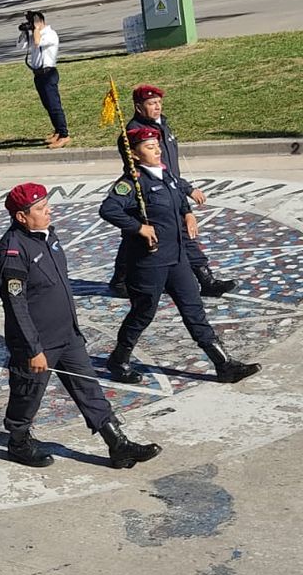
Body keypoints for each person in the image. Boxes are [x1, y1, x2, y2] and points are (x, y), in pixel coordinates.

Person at [0, 184, 163, 469]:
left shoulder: (48, 236)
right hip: (37, 342)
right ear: (21, 217)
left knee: (88, 387)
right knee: (27, 394)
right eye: (41, 209)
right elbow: (16, 307)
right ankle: (18, 441)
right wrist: (33, 350)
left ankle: (117, 444)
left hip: (68, 335)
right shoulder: (13, 253)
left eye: (47, 206)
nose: (48, 212)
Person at [99, 127, 261, 385]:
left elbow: (177, 198)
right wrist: (139, 227)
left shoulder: (166, 176)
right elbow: (108, 209)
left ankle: (223, 364)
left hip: (176, 259)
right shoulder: (132, 183)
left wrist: (187, 212)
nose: (157, 150)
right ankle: (119, 359)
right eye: (149, 147)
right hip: (149, 262)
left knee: (194, 310)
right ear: (134, 154)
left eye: (157, 145)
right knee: (143, 313)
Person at [109, 85, 236, 299]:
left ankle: (120, 280)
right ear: (138, 107)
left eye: (159, 102)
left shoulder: (163, 126)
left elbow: (169, 167)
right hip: (152, 193)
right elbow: (159, 169)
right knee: (164, 236)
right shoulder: (134, 135)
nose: (157, 107)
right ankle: (206, 280)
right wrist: (186, 191)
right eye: (151, 103)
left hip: (169, 188)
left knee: (138, 239)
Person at [17, 11, 70, 149]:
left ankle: (64, 135)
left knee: (54, 105)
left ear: (40, 22)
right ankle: (58, 131)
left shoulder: (50, 34)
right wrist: (25, 32)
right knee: (47, 105)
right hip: (38, 74)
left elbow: (36, 42)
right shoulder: (34, 33)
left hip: (48, 74)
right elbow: (20, 46)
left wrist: (36, 30)